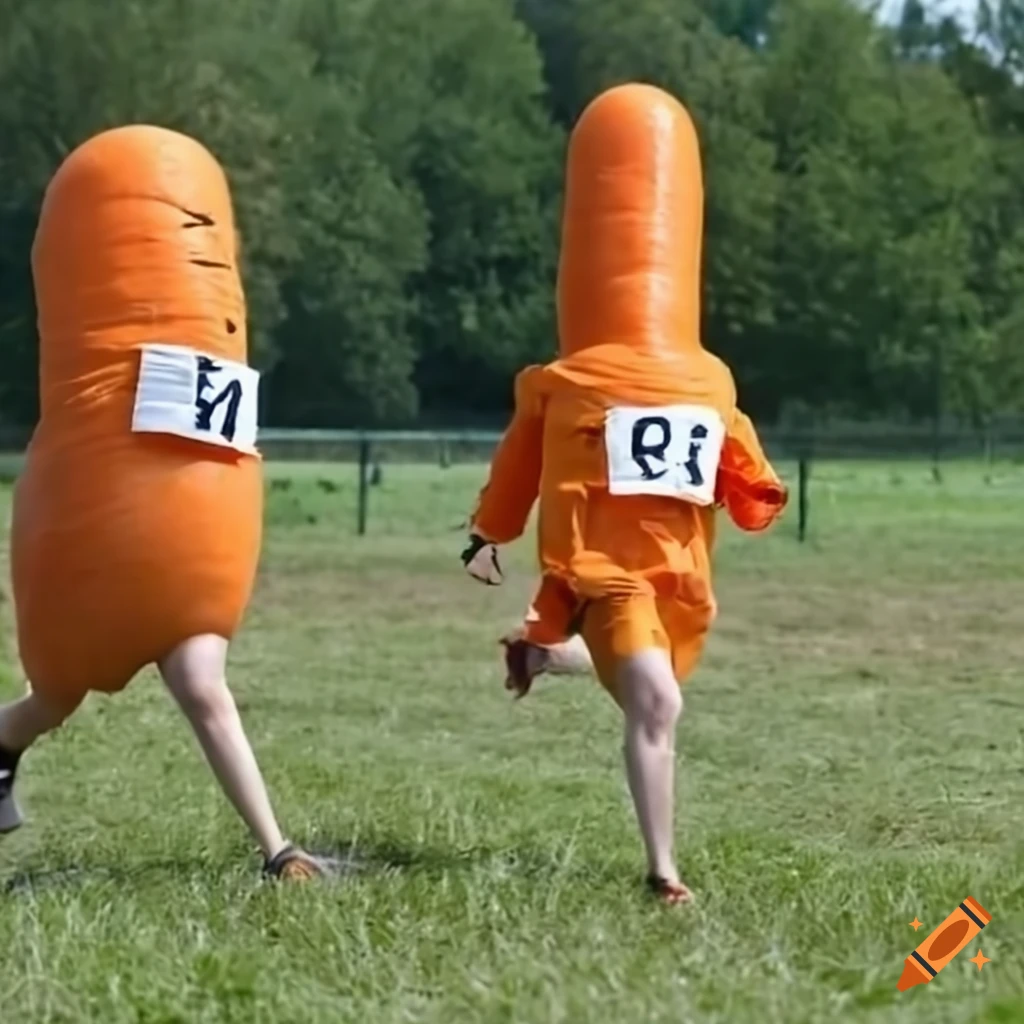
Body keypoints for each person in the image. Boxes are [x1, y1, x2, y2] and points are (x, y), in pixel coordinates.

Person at [462, 84, 788, 904]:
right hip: (598, 566)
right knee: (656, 701)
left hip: (675, 571)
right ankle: (663, 873)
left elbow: (738, 461)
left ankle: (543, 652)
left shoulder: (707, 379)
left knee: (651, 679)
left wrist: (754, 484)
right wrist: (488, 530)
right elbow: (521, 458)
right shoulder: (567, 383)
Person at [0, 125, 327, 881]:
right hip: (94, 520)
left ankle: (278, 852)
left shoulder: (208, 332)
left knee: (203, 685)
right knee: (53, 698)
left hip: (190, 526)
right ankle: (5, 742)